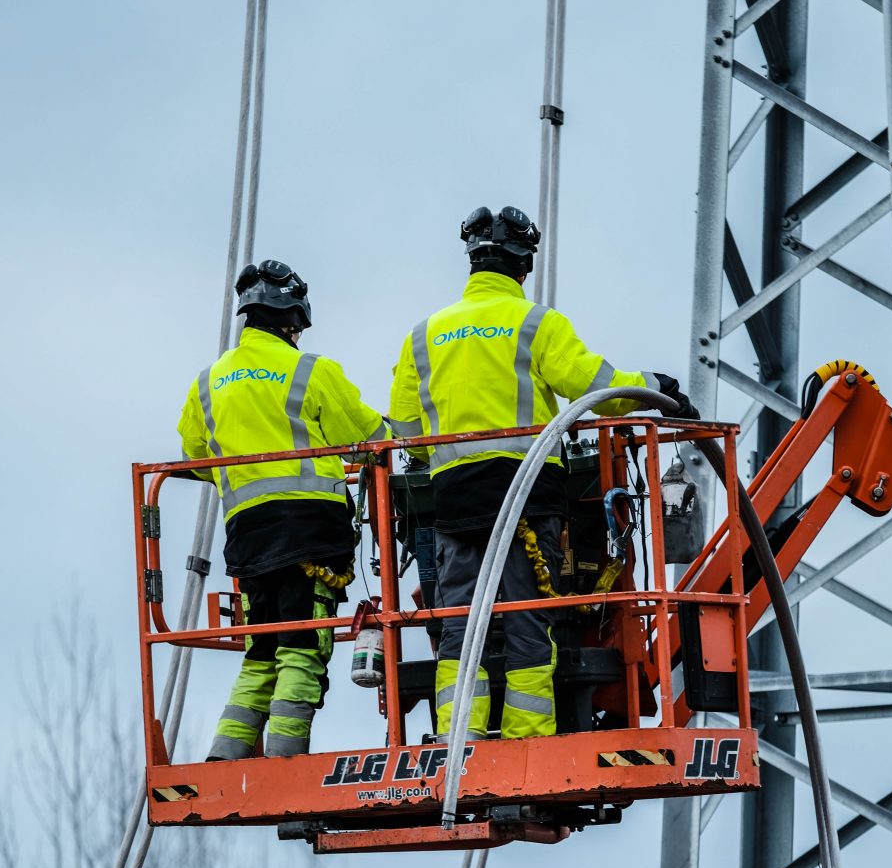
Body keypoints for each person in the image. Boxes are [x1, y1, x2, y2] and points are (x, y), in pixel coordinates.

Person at [389, 204, 696, 743]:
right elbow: (594, 388)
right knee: (530, 616)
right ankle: (526, 734)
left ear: (472, 262)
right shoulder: (536, 323)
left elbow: (406, 429)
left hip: (456, 502)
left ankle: (459, 734)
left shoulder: (424, 335)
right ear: (524, 264)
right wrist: (655, 386)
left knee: (460, 623)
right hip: (527, 496)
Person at [178, 259, 387, 760]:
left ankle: (225, 757)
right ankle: (285, 761)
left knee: (261, 652)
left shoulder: (209, 382)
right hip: (310, 534)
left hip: (247, 537)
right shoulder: (311, 371)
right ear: (293, 320)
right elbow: (369, 439)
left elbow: (196, 457)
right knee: (302, 649)